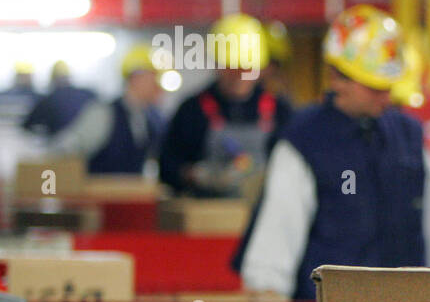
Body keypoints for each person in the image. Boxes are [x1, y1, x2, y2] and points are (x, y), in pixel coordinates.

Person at [238, 4, 430, 301]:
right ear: (337, 78)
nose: (386, 95)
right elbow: (274, 247)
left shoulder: (410, 137)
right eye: (374, 86)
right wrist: (269, 297)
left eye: (388, 85)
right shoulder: (303, 141)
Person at [158, 13, 293, 198]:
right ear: (218, 64)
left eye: (246, 67)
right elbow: (166, 167)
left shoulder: (281, 111)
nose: (239, 74)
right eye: (232, 67)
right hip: (208, 218)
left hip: (263, 216)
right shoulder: (192, 111)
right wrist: (195, 175)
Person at [48, 45, 164, 174]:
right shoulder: (104, 114)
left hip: (131, 193)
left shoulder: (148, 120)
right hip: (98, 193)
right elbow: (66, 150)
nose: (158, 85)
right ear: (137, 78)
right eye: (154, 77)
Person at [23, 61, 97, 137]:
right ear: (69, 77)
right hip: (90, 144)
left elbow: (27, 126)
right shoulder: (88, 94)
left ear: (52, 79)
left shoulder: (49, 100)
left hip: (60, 145)